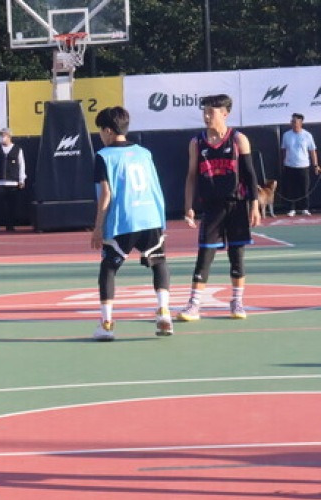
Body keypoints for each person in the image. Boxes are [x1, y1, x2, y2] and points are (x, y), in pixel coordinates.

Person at [88, 107, 174, 341]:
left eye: (100, 132)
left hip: (123, 220)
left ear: (107, 131)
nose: (100, 136)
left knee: (108, 269)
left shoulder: (104, 156)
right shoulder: (144, 153)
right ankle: (164, 311)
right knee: (159, 263)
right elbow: (154, 186)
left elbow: (105, 195)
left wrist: (98, 228)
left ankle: (106, 324)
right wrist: (160, 217)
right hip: (150, 217)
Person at [178, 94, 261, 322]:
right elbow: (191, 176)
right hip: (212, 207)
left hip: (236, 205)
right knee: (204, 255)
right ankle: (194, 305)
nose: (206, 116)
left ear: (225, 113)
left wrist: (254, 205)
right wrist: (188, 206)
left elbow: (250, 175)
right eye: (204, 111)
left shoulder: (238, 139)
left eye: (211, 112)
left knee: (237, 255)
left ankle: (237, 301)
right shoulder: (197, 142)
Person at [0, 128, 26, 232]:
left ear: (9, 136)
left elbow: (21, 165)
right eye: (0, 135)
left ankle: (10, 226)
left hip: (13, 182)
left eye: (3, 135)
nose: (1, 137)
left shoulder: (18, 149)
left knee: (11, 207)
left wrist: (21, 179)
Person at [280, 113, 318, 217]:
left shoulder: (307, 135)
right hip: (290, 165)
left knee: (304, 188)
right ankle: (291, 209)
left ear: (300, 123)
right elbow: (283, 150)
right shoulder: (286, 135)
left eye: (295, 122)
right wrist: (283, 163)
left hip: (304, 166)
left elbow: (312, 151)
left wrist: (316, 165)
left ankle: (304, 208)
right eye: (292, 121)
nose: (293, 123)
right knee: (291, 188)